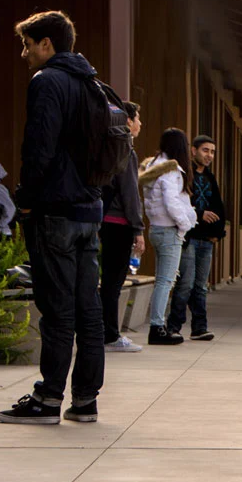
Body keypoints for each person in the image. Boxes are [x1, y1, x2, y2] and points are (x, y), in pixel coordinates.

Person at [0, 11, 106, 424]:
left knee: (58, 311)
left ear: (47, 44)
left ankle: (47, 401)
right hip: (89, 212)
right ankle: (85, 401)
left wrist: (24, 200)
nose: (24, 54)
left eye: (28, 45)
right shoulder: (92, 84)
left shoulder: (47, 82)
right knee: (88, 311)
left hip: (56, 212)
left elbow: (38, 149)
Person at [140, 128, 198, 346]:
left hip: (155, 228)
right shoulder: (170, 170)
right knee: (166, 281)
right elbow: (172, 201)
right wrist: (184, 224)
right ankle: (157, 327)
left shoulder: (152, 167)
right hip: (169, 230)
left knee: (162, 280)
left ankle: (157, 325)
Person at [167, 135, 225, 341]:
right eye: (205, 150)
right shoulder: (183, 175)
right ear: (193, 151)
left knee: (201, 285)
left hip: (206, 239)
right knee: (185, 284)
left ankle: (199, 328)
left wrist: (217, 234)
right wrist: (200, 214)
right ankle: (173, 326)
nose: (209, 155)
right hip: (189, 237)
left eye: (212, 151)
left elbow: (219, 206)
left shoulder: (210, 178)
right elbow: (178, 203)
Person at [98, 102, 146, 353]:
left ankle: (105, 332)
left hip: (106, 221)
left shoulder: (108, 146)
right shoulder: (126, 150)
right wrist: (138, 229)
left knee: (108, 280)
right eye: (138, 119)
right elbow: (130, 193)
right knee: (113, 282)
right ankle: (110, 335)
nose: (140, 124)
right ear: (128, 121)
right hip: (120, 223)